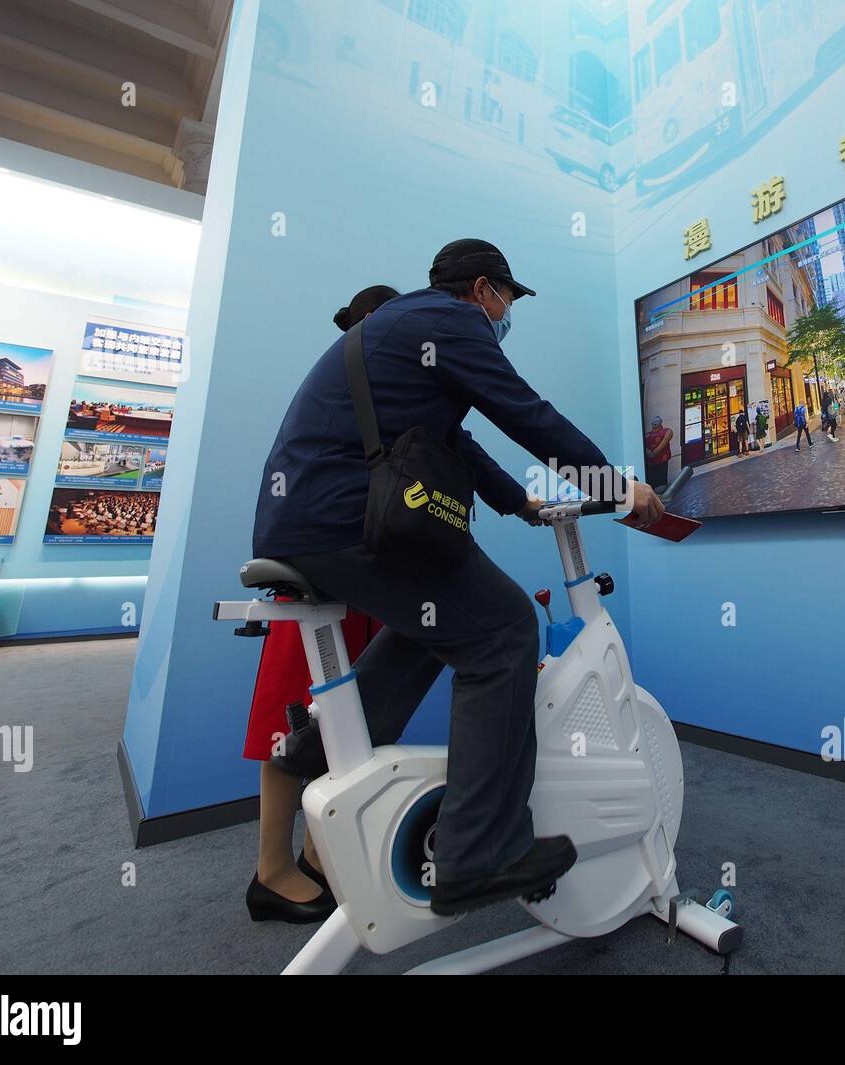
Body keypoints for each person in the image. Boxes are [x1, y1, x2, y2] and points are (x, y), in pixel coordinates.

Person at [252, 239, 663, 917]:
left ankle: (318, 745)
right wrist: (618, 488)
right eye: (506, 299)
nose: (505, 315)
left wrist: (519, 503)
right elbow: (527, 413)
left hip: (306, 515)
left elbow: (459, 444)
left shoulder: (404, 329)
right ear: (481, 289)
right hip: (343, 519)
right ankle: (478, 854)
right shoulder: (454, 323)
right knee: (504, 631)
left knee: (438, 620)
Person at [244, 284, 397, 924]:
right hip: (316, 578)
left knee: (346, 724)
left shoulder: (377, 389)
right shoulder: (339, 384)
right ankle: (271, 873)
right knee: (290, 725)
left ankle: (315, 858)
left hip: (364, 577)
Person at [644, 415, 673, 490]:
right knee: (653, 479)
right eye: (654, 421)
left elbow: (665, 441)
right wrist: (650, 453)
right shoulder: (647, 435)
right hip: (651, 463)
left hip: (661, 460)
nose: (655, 423)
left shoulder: (666, 431)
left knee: (661, 479)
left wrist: (654, 453)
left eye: (656, 421)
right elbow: (643, 444)